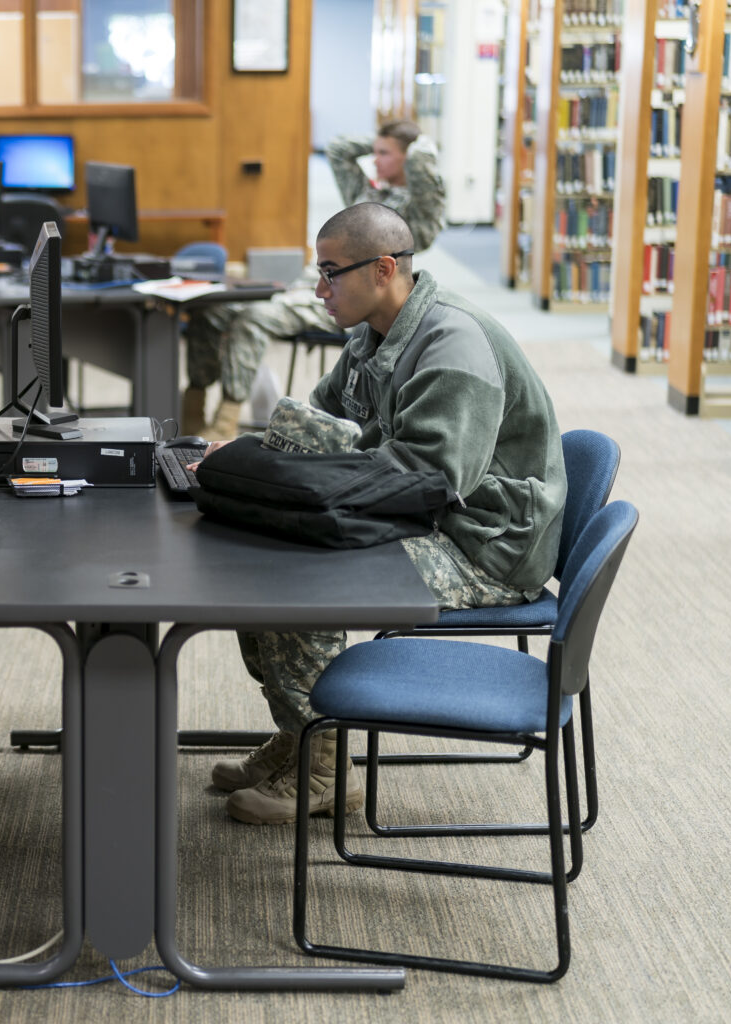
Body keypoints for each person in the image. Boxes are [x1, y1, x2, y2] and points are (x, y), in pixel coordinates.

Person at [199, 202, 567, 825]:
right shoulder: (376, 333)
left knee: (301, 578)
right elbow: (320, 417)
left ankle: (325, 771)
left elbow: (430, 481)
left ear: (384, 269)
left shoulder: (453, 346)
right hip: (434, 513)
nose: (319, 290)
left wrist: (298, 482)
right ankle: (302, 736)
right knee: (263, 548)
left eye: (331, 273)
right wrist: (255, 462)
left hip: (484, 543)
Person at [182, 120, 446, 440]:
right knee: (210, 308)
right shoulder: (366, 192)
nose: (375, 160)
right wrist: (382, 144)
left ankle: (225, 421)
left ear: (409, 158)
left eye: (384, 154)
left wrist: (417, 144)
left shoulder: (421, 208)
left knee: (253, 318)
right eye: (374, 152)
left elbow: (422, 168)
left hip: (351, 300)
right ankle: (193, 407)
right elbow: (338, 149)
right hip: (310, 284)